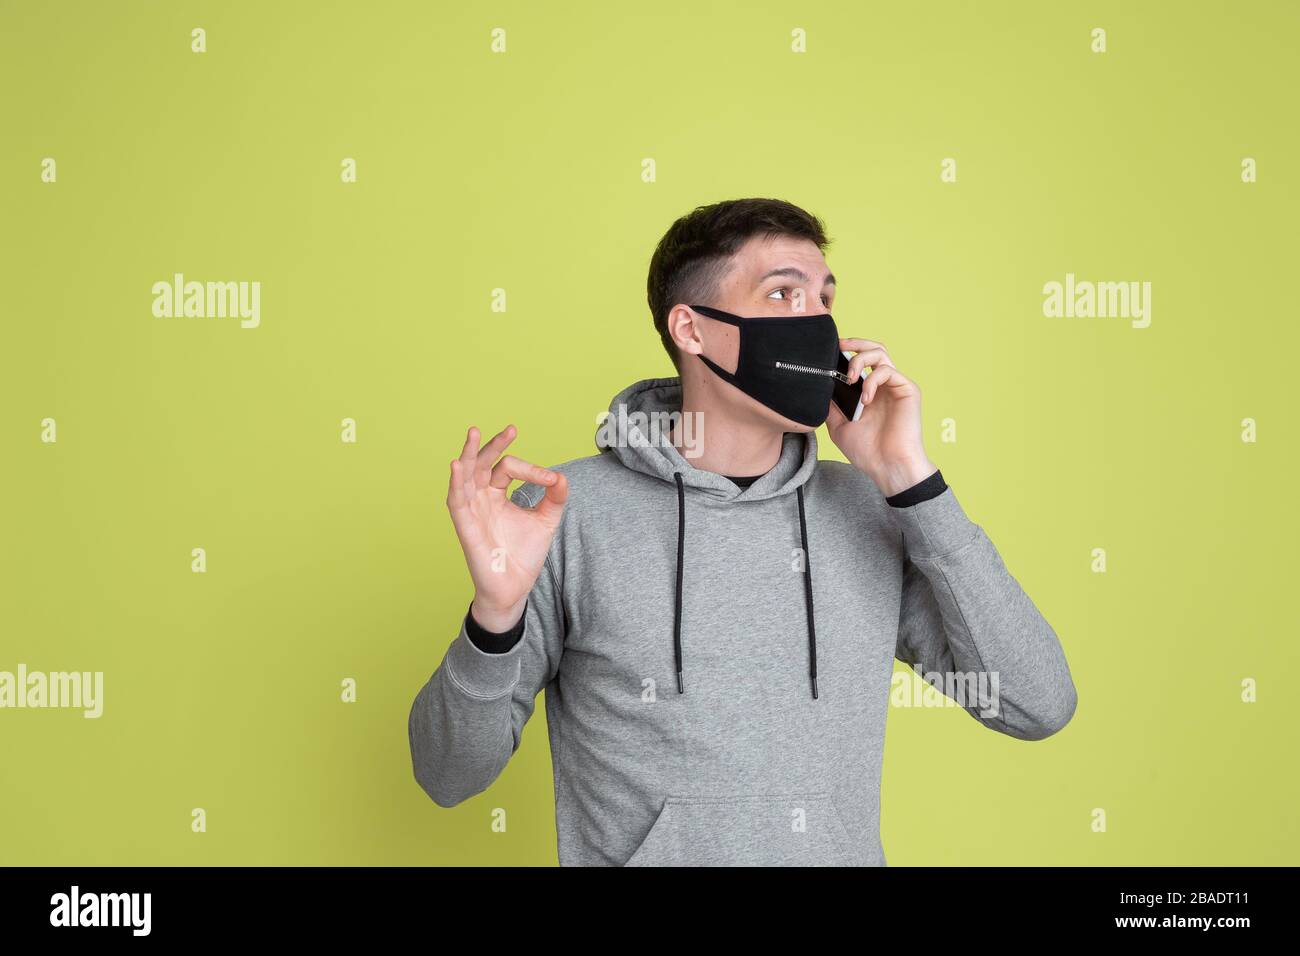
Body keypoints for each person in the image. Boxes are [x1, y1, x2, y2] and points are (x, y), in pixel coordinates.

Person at [408, 197, 1078, 866]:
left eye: (823, 298)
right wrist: (494, 617)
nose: (815, 321)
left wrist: (912, 481)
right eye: (783, 293)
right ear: (692, 330)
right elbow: (448, 775)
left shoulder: (869, 510)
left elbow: (1036, 703)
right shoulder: (563, 510)